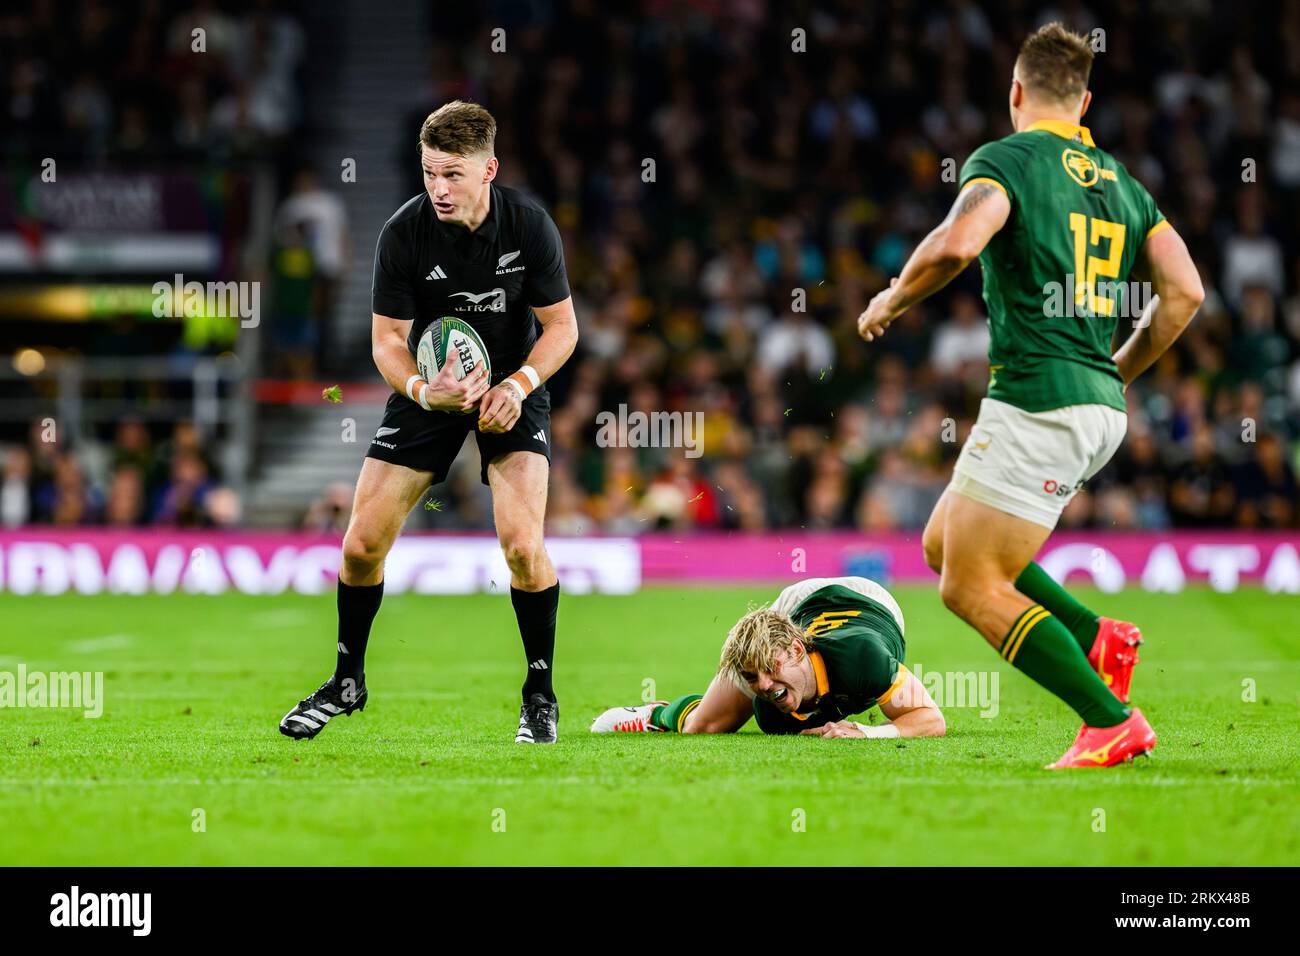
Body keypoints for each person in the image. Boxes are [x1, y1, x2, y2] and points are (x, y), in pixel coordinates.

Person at [856, 23, 1204, 768]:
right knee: (941, 543)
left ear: (1015, 92)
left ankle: (1108, 720)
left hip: (1039, 397)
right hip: (1094, 400)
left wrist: (891, 300)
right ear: (1085, 102)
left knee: (969, 584)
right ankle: (1094, 637)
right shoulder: (1124, 182)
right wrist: (1115, 370)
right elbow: (1185, 294)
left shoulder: (1006, 159)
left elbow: (955, 243)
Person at [280, 101, 579, 744]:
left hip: (511, 390)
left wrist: (519, 383)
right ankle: (345, 681)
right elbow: (387, 339)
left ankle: (539, 694)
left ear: (488, 170)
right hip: (431, 389)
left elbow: (562, 329)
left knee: (524, 547)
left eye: (452, 175)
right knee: (360, 545)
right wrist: (423, 389)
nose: (438, 189)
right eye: (428, 173)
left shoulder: (528, 226)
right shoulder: (403, 233)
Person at [591, 577, 945, 741]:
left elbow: (930, 719)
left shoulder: (863, 658)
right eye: (751, 678)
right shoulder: (773, 713)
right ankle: (654, 714)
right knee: (705, 726)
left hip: (861, 599)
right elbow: (763, 675)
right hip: (801, 617)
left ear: (794, 650)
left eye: (770, 670)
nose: (762, 686)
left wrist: (868, 731)